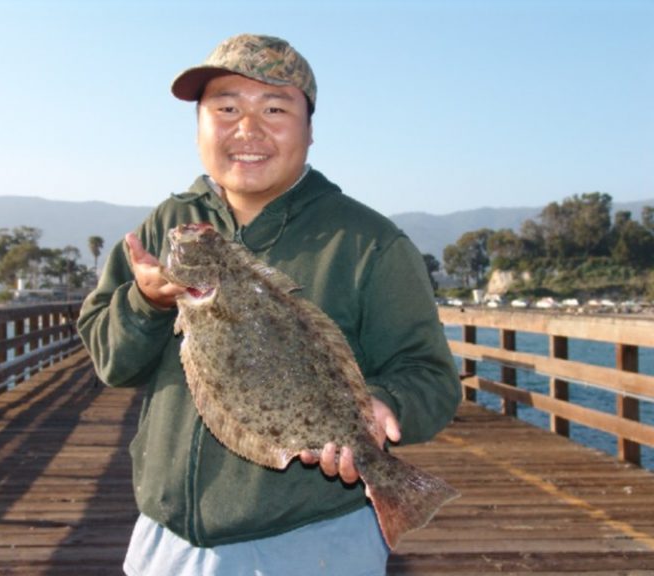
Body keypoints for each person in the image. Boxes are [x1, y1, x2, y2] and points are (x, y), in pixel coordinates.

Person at [78, 33, 461, 576]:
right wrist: (144, 300)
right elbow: (112, 362)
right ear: (200, 126)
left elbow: (431, 377)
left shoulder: (369, 243)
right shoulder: (166, 225)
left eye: (274, 109)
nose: (247, 129)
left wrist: (378, 404)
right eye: (226, 108)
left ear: (310, 128)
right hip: (166, 540)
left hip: (311, 542)